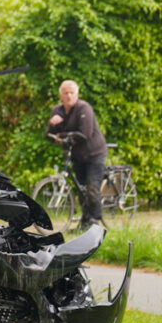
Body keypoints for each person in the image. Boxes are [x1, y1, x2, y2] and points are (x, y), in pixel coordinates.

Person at [47, 79, 108, 229]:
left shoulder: (84, 109)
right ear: (61, 96)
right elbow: (50, 135)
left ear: (77, 94)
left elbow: (84, 134)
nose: (68, 96)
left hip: (94, 154)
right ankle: (85, 222)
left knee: (92, 188)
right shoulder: (57, 110)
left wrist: (62, 135)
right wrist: (52, 124)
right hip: (77, 156)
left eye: (71, 93)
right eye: (65, 93)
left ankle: (95, 222)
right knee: (82, 191)